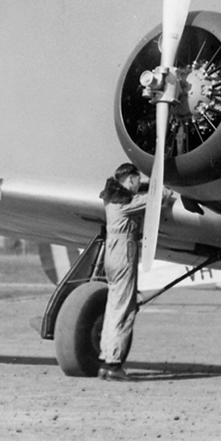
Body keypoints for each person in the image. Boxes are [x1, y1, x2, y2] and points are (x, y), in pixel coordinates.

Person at [98, 163, 148, 381]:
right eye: (138, 179)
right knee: (125, 310)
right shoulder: (126, 203)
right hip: (124, 254)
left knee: (112, 309)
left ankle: (104, 360)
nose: (139, 183)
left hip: (112, 254)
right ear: (130, 179)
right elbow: (155, 200)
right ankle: (114, 365)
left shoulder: (112, 199)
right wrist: (163, 188)